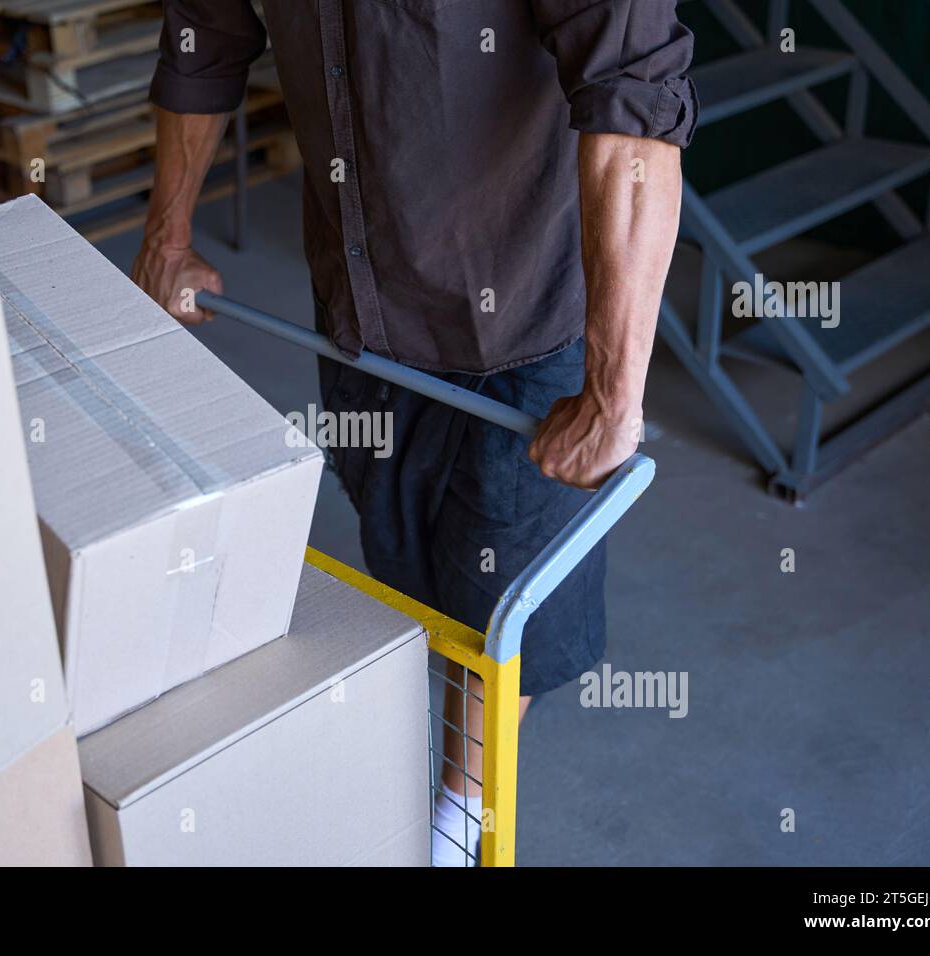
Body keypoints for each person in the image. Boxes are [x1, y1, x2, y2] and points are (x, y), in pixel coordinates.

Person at [132, 0, 696, 865]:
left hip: (524, 327)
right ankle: (442, 789)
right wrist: (165, 239)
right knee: (407, 570)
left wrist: (614, 393)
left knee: (497, 606)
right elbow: (203, 36)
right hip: (363, 319)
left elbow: (631, 92)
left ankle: (453, 832)